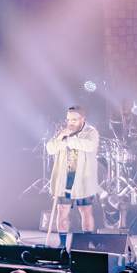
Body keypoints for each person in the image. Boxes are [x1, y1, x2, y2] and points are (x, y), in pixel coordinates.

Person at [45, 106, 101, 247]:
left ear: (83, 119)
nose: (70, 123)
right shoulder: (62, 132)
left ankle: (86, 243)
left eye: (74, 120)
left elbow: (90, 146)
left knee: (85, 211)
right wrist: (60, 137)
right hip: (64, 179)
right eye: (69, 119)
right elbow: (50, 149)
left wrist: (68, 140)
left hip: (83, 179)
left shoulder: (91, 132)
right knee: (62, 211)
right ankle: (62, 244)